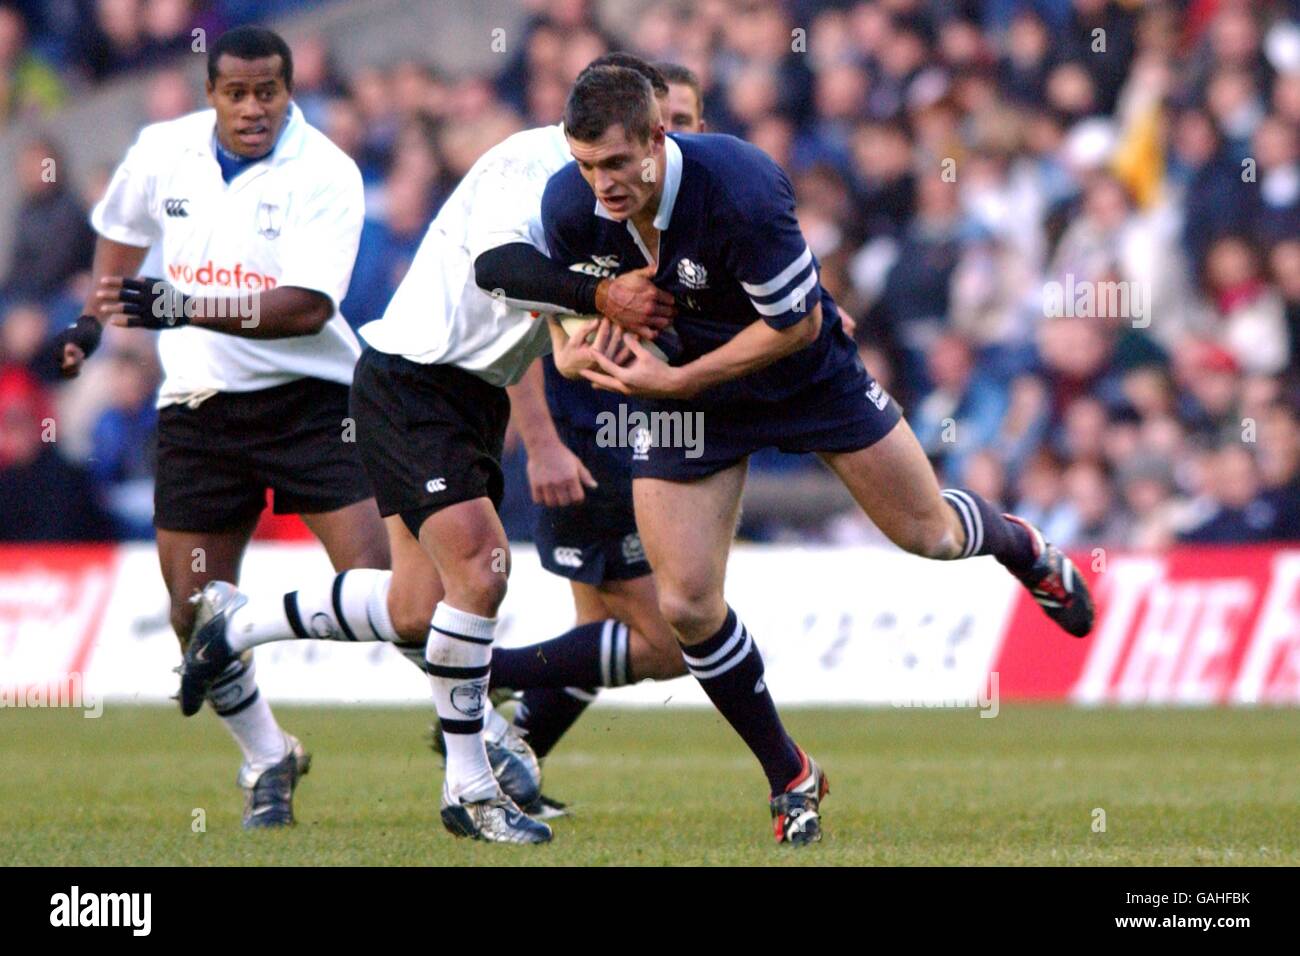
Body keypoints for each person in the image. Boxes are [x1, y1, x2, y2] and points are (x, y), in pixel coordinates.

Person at [541, 67, 1096, 842]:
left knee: (929, 534)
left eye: (614, 165)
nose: (599, 184)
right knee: (686, 605)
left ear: (659, 140)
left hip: (803, 378)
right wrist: (574, 349)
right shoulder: (568, 205)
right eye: (584, 165)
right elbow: (553, 310)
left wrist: (679, 375)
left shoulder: (741, 186)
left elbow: (797, 326)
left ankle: (1018, 542)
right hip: (688, 402)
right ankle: (790, 775)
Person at [55, 26, 393, 830]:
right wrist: (95, 319)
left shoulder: (328, 172)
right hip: (201, 407)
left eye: (267, 93)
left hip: (311, 402)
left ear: (288, 93)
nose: (252, 109)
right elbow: (123, 226)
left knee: (383, 589)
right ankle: (266, 757)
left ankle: (484, 734)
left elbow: (309, 307)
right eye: (236, 93)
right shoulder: (164, 151)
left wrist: (181, 305)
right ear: (211, 94)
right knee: (188, 608)